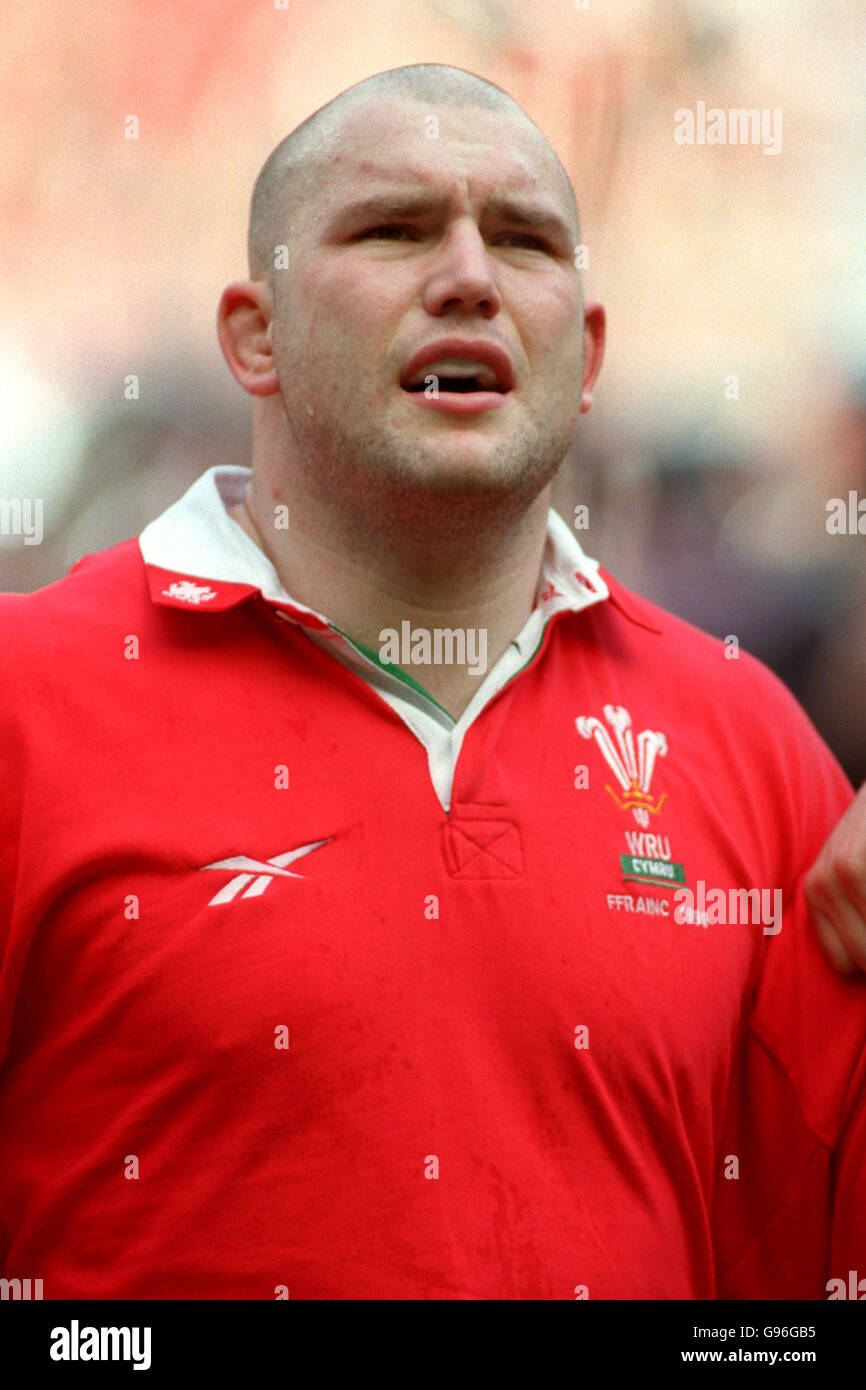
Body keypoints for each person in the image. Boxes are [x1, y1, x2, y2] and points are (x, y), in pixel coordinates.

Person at [0, 63, 863, 1301]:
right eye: (393, 228)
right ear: (255, 334)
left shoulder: (748, 740)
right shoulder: (26, 697)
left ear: (588, 346)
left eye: (522, 241)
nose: (468, 275)